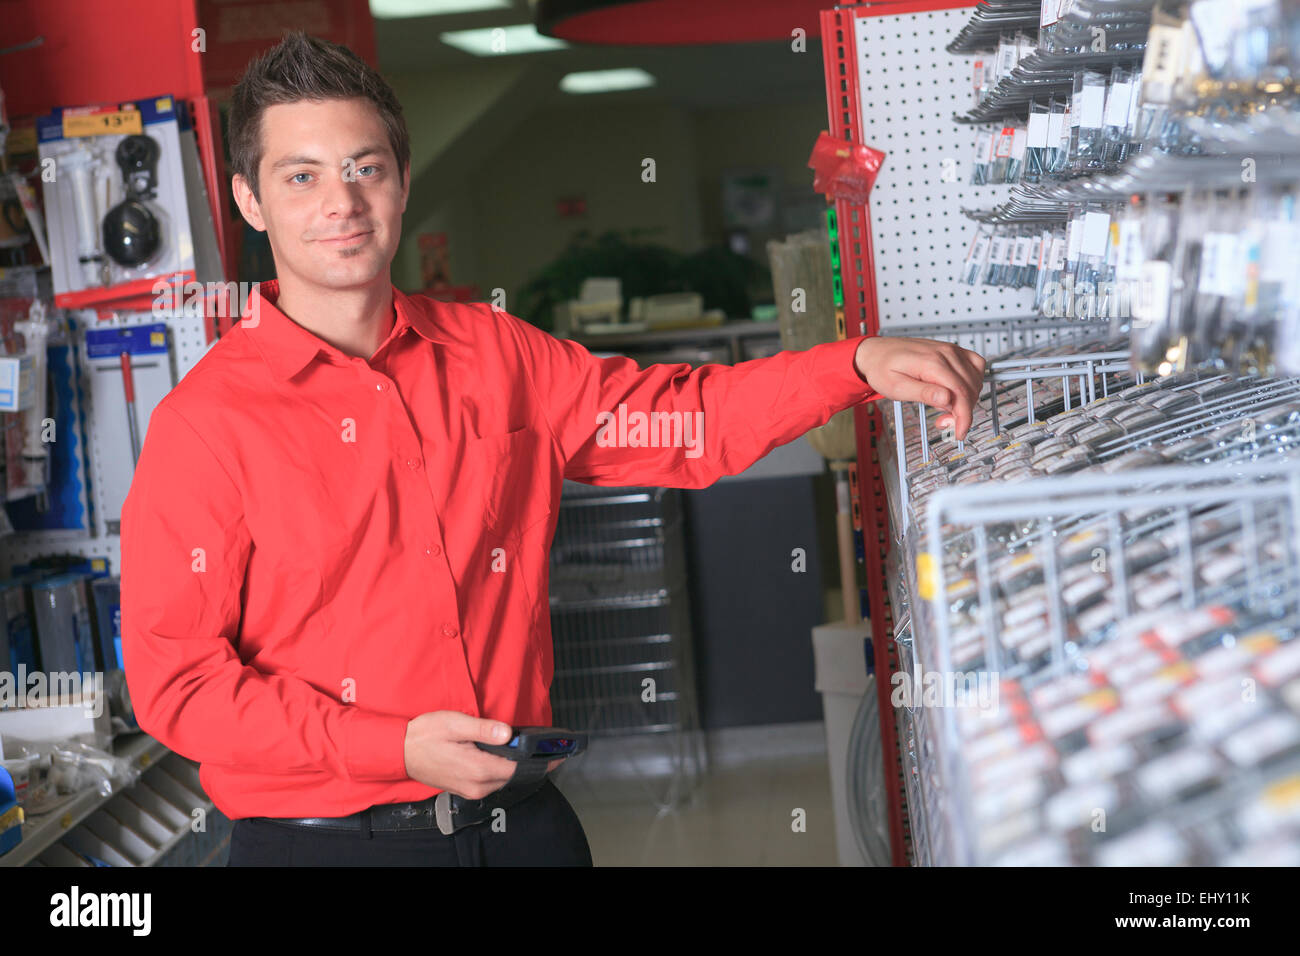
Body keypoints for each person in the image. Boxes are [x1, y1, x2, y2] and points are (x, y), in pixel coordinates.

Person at [120, 31, 985, 867]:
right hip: (326, 845)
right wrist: (392, 746)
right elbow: (178, 684)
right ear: (248, 200)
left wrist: (855, 363)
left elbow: (683, 423)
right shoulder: (205, 424)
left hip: (523, 827)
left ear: (403, 180)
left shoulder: (497, 354)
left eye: (364, 168)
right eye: (300, 176)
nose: (341, 203)